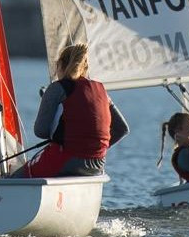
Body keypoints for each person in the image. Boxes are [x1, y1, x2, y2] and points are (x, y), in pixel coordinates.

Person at [11, 43, 128, 178]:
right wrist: (92, 148)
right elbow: (122, 129)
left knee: (14, 178)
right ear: (86, 67)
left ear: (60, 65)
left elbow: (40, 131)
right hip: (97, 164)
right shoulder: (102, 90)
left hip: (65, 160)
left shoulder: (57, 88)